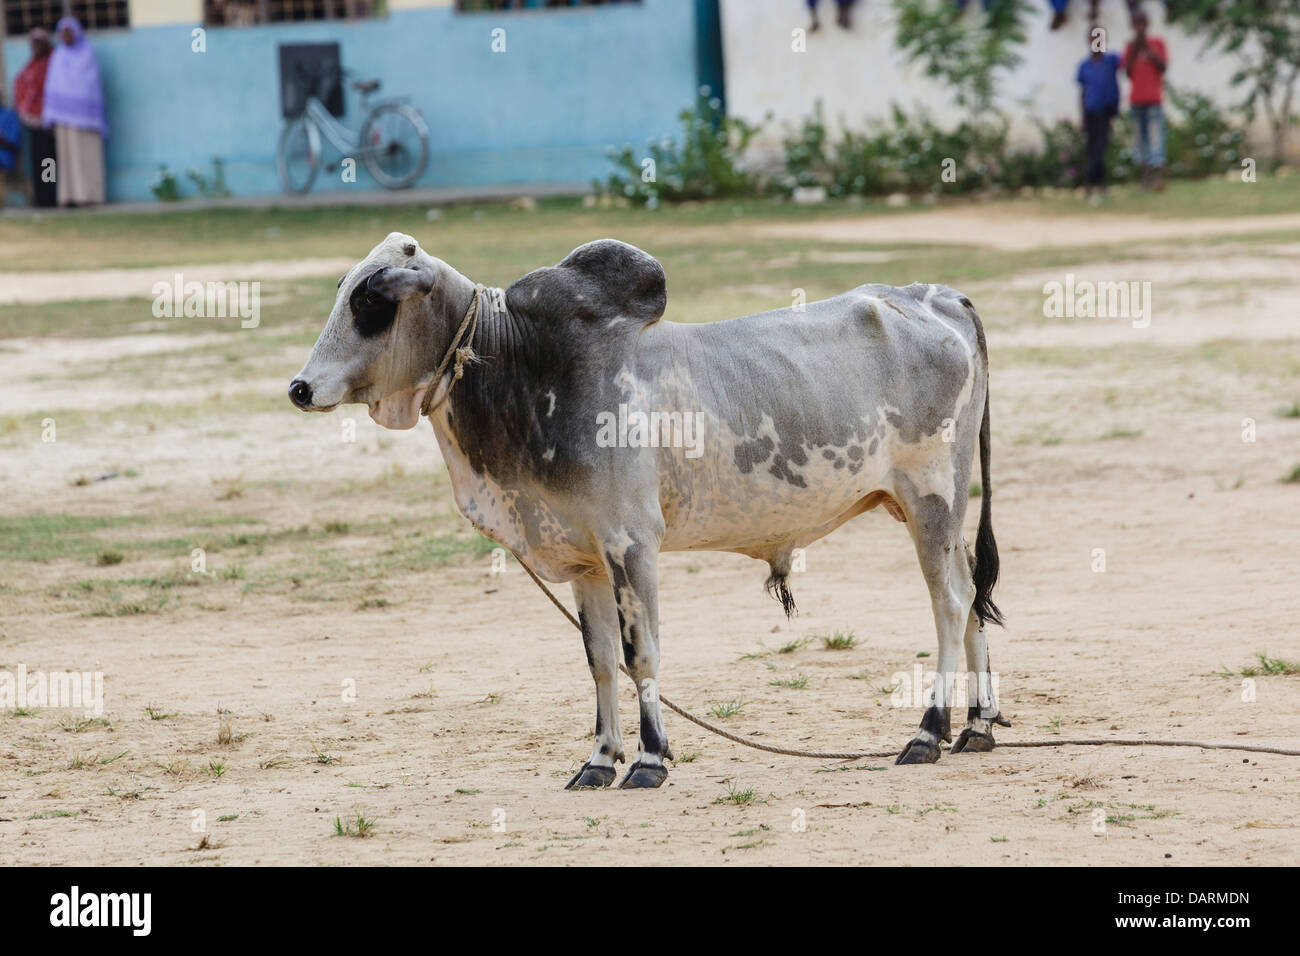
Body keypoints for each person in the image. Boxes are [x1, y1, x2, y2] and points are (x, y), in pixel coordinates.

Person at [42, 17, 108, 207]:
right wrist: (51, 114)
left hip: (87, 119)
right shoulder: (58, 56)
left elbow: (90, 86)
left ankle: (91, 195)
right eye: (63, 33)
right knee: (67, 160)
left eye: (69, 32)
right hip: (63, 119)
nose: (66, 36)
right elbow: (52, 86)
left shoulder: (87, 54)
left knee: (87, 157)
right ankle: (69, 197)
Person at [1121, 7, 1167, 191]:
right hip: (1136, 100)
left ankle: (1158, 177)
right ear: (1132, 25)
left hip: (1154, 99)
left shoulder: (1157, 43)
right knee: (1140, 140)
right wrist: (1136, 48)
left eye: (1142, 23)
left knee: (1156, 139)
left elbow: (1162, 67)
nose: (1139, 27)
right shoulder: (1129, 47)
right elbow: (1127, 72)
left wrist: (1147, 47)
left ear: (1147, 24)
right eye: (1136, 23)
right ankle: (1145, 178)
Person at [14, 28, 57, 208]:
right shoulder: (31, 65)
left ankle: (51, 196)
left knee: (49, 160)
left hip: (50, 118)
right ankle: (41, 197)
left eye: (39, 44)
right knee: (38, 159)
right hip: (32, 120)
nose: (35, 48)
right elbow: (21, 83)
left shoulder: (53, 62)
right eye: (33, 44)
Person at [1077, 27, 1121, 202]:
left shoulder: (1111, 61)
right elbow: (1082, 93)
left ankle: (1095, 184)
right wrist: (1082, 117)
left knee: (1100, 149)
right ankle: (1092, 184)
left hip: (1106, 113)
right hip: (1091, 113)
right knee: (1092, 149)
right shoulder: (1085, 66)